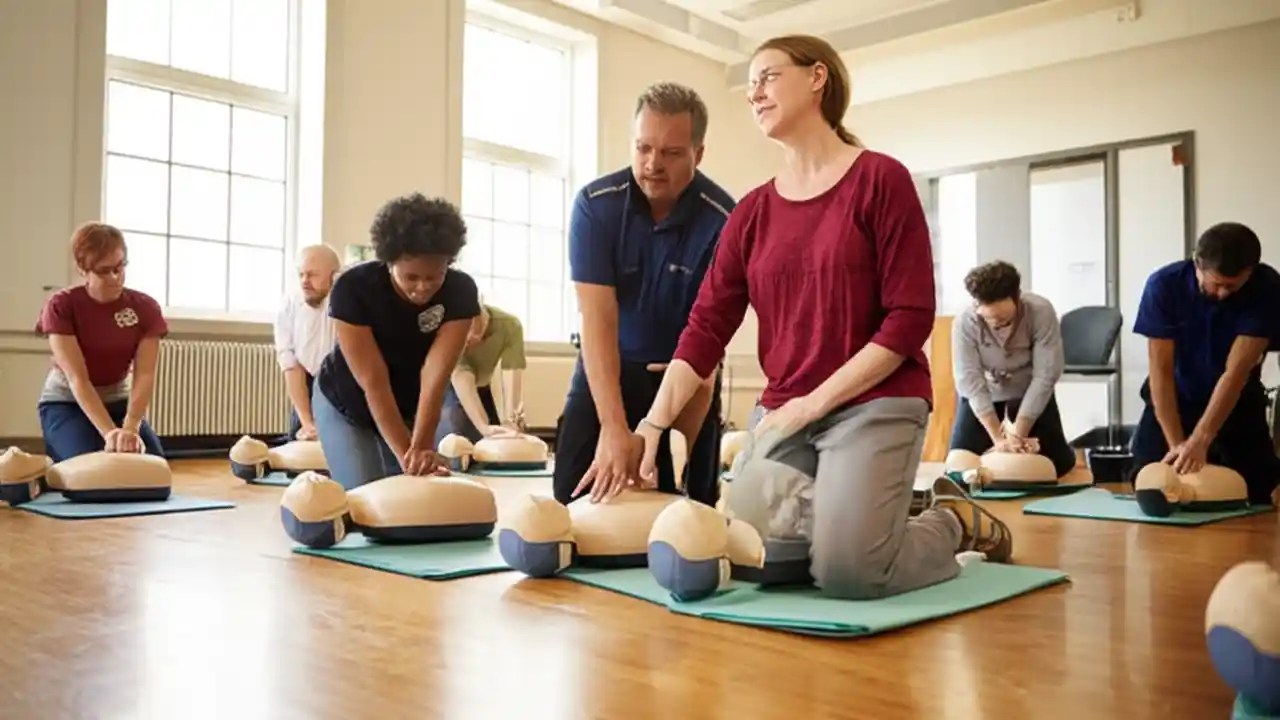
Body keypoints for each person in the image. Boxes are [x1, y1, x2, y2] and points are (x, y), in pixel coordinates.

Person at [629, 35, 1012, 600]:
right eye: (749, 84)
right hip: (788, 412)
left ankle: (951, 521)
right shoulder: (753, 212)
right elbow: (707, 325)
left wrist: (809, 404)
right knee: (763, 558)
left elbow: (908, 319)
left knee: (848, 572)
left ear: (817, 78)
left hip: (874, 401)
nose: (754, 92)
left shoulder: (881, 180)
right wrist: (651, 427)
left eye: (767, 77)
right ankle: (862, 517)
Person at [557, 81, 737, 507]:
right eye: (643, 148)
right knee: (572, 496)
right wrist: (614, 429)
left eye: (672, 153)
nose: (653, 164)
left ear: (699, 153)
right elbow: (596, 322)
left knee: (684, 505)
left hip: (683, 374)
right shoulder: (595, 205)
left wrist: (676, 450)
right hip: (607, 363)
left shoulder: (725, 220)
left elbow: (708, 342)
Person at [312, 193, 481, 489]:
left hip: (406, 405)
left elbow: (435, 375)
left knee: (412, 491)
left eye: (434, 276)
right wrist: (408, 455)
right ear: (390, 263)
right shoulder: (354, 289)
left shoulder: (461, 291)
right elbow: (373, 381)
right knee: (367, 496)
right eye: (411, 276)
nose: (423, 287)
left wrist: (422, 448)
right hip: (345, 399)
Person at [1130, 222, 1280, 505]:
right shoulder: (1164, 285)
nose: (1223, 293)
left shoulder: (1266, 287)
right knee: (1151, 481)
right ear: (1197, 264)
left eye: (1232, 286)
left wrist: (1200, 439)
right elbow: (1160, 372)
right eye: (1216, 284)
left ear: (1251, 272)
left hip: (1235, 399)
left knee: (1255, 486)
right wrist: (1178, 446)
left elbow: (1236, 372)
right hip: (1174, 396)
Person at [35, 222, 168, 462]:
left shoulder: (145, 308)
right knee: (92, 471)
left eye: (120, 267)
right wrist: (110, 434)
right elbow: (78, 379)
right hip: (66, 402)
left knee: (152, 470)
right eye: (104, 271)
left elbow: (145, 375)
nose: (115, 277)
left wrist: (130, 428)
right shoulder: (61, 306)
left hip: (117, 402)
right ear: (83, 269)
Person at [950, 260, 1075, 477]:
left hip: (1028, 389)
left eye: (1004, 320)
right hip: (987, 391)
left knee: (1057, 465)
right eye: (989, 320)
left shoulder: (1040, 312)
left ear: (1017, 298)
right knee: (960, 465)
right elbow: (970, 380)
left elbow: (1045, 375)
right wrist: (998, 440)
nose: (996, 325)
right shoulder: (965, 322)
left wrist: (1018, 435)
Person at [433, 300, 527, 445]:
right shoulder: (449, 332)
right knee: (457, 445)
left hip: (481, 386)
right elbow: (462, 376)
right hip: (450, 386)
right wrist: (483, 427)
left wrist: (511, 420)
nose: (472, 338)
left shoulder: (509, 325)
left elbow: (512, 372)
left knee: (500, 442)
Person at [273, 243, 340, 441]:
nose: (304, 281)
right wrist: (307, 423)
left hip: (343, 381)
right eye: (301, 274)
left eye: (312, 275)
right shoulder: (288, 305)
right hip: (307, 380)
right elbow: (291, 365)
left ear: (334, 276)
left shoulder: (348, 300)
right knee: (297, 446)